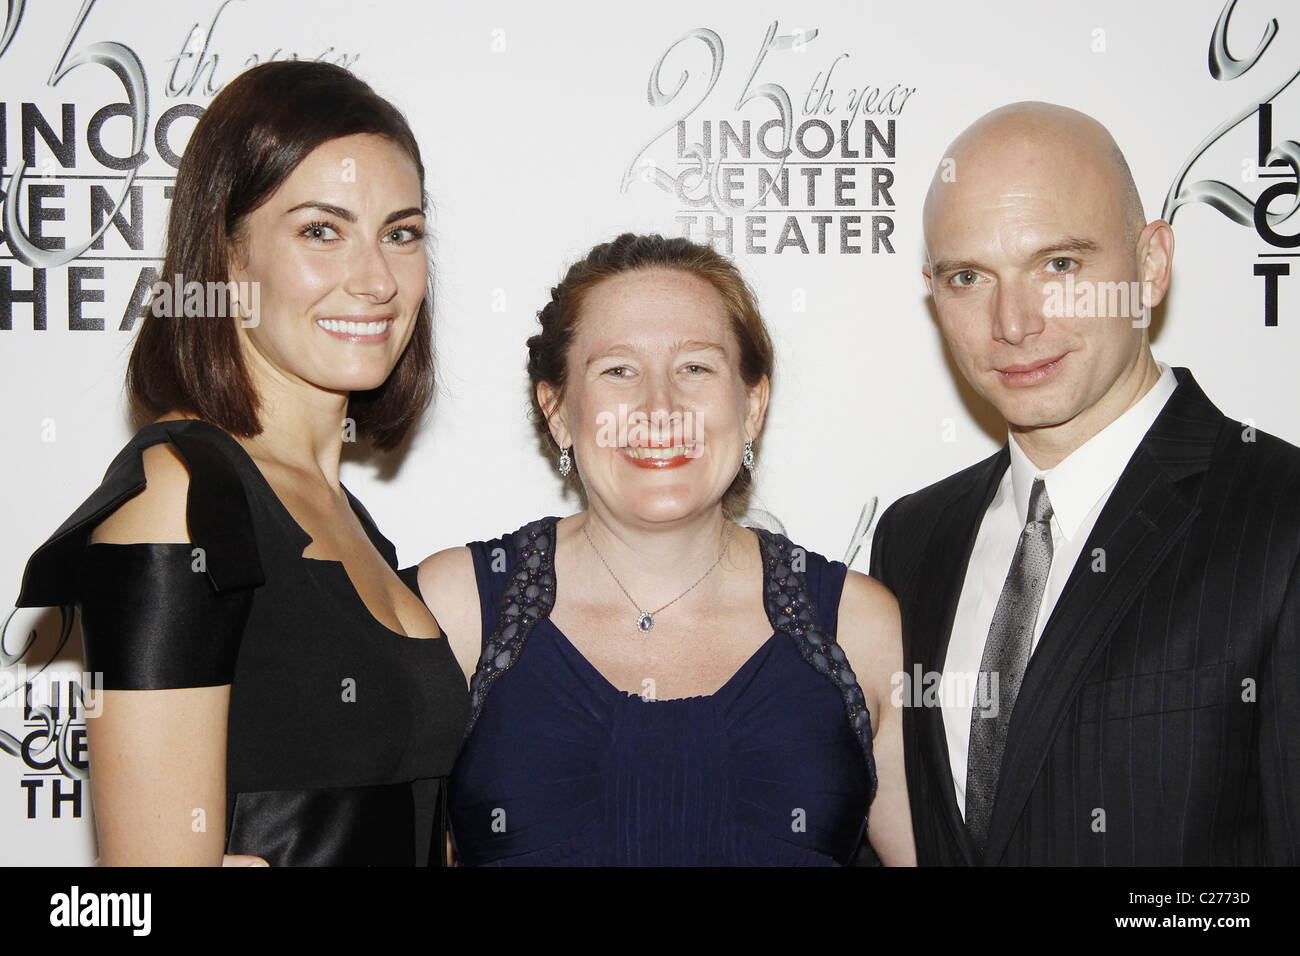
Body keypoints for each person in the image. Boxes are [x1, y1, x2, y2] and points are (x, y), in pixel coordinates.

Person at [14, 61, 467, 866]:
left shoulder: (342, 514)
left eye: (401, 233)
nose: (375, 280)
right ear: (226, 259)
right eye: (320, 231)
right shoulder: (180, 498)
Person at [870, 101, 1300, 865]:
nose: (1014, 322)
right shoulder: (915, 537)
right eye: (969, 277)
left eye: (1059, 265)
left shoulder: (1279, 514)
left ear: (1152, 265)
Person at [420, 233, 914, 866]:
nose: (659, 409)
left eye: (695, 368)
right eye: (619, 371)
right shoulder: (455, 607)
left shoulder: (862, 628)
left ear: (753, 404)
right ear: (558, 411)